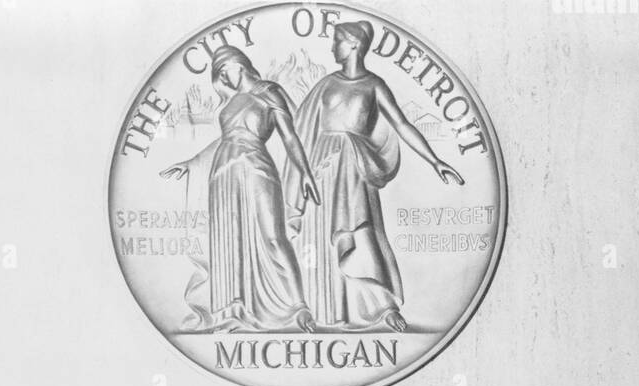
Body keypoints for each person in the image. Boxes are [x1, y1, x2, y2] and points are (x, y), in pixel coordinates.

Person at [282, 20, 465, 332]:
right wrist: (303, 173)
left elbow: (402, 124)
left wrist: (435, 161)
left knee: (361, 231)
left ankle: (383, 307)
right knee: (321, 237)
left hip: (355, 167)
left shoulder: (374, 85)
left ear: (354, 43)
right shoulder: (326, 84)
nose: (332, 47)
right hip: (322, 167)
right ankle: (323, 309)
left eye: (337, 41)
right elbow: (301, 129)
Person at [161, 46, 319, 332]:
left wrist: (305, 172)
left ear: (240, 64)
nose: (223, 77)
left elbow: (289, 136)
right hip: (223, 174)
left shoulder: (269, 91)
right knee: (229, 243)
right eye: (218, 74)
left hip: (256, 166)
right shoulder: (230, 103)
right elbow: (226, 139)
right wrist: (193, 162)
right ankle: (235, 311)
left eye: (225, 69)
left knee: (273, 236)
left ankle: (299, 307)